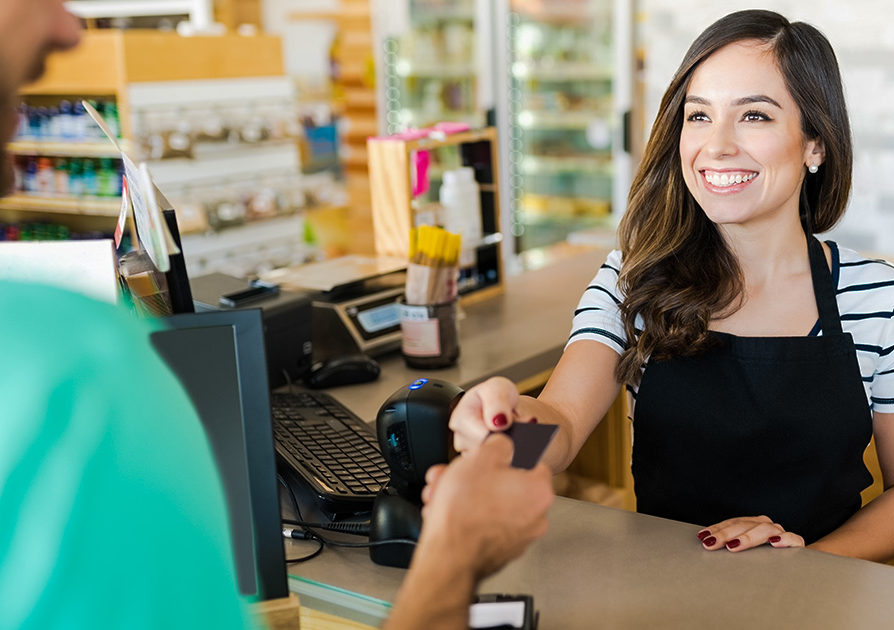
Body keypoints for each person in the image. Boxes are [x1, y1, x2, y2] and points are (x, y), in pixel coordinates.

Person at [0, 3, 553, 629]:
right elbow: (557, 425)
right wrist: (460, 542)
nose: (70, 28)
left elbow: (556, 428)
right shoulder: (67, 369)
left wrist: (523, 438)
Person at [451, 9, 894, 562]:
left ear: (815, 144)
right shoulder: (633, 280)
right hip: (663, 590)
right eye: (699, 116)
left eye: (754, 115)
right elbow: (561, 428)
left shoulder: (882, 300)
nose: (717, 145)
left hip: (825, 592)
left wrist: (807, 565)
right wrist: (509, 437)